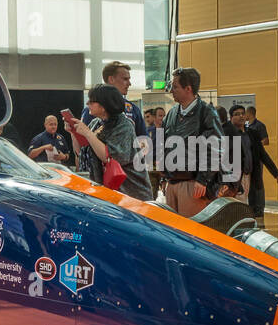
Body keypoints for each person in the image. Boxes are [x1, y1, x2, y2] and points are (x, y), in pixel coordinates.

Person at [65, 84, 152, 201]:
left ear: (104, 105)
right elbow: (81, 151)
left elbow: (110, 157)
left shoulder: (124, 125)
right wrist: (73, 133)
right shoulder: (97, 123)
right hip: (108, 192)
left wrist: (88, 133)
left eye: (91, 101)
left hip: (131, 194)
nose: (87, 104)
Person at [161, 67, 224, 216]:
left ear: (188, 89)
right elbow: (163, 146)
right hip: (172, 183)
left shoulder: (206, 112)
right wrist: (163, 177)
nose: (171, 91)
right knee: (172, 232)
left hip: (193, 184)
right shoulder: (171, 113)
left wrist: (203, 179)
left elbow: (216, 148)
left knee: (191, 233)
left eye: (175, 87)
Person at [81, 60, 147, 137]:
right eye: (125, 79)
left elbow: (144, 140)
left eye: (129, 79)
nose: (129, 83)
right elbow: (84, 142)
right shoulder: (92, 110)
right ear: (111, 79)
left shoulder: (133, 109)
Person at [243, 105, 278, 220]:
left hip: (255, 162)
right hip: (241, 170)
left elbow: (264, 151)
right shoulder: (235, 133)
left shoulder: (257, 128)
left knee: (257, 185)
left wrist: (276, 174)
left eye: (243, 113)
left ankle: (258, 209)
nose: (242, 116)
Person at [219, 105, 253, 199]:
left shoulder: (227, 132)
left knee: (235, 204)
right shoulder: (227, 131)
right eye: (238, 114)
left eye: (243, 114)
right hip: (234, 178)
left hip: (233, 178)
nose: (241, 116)